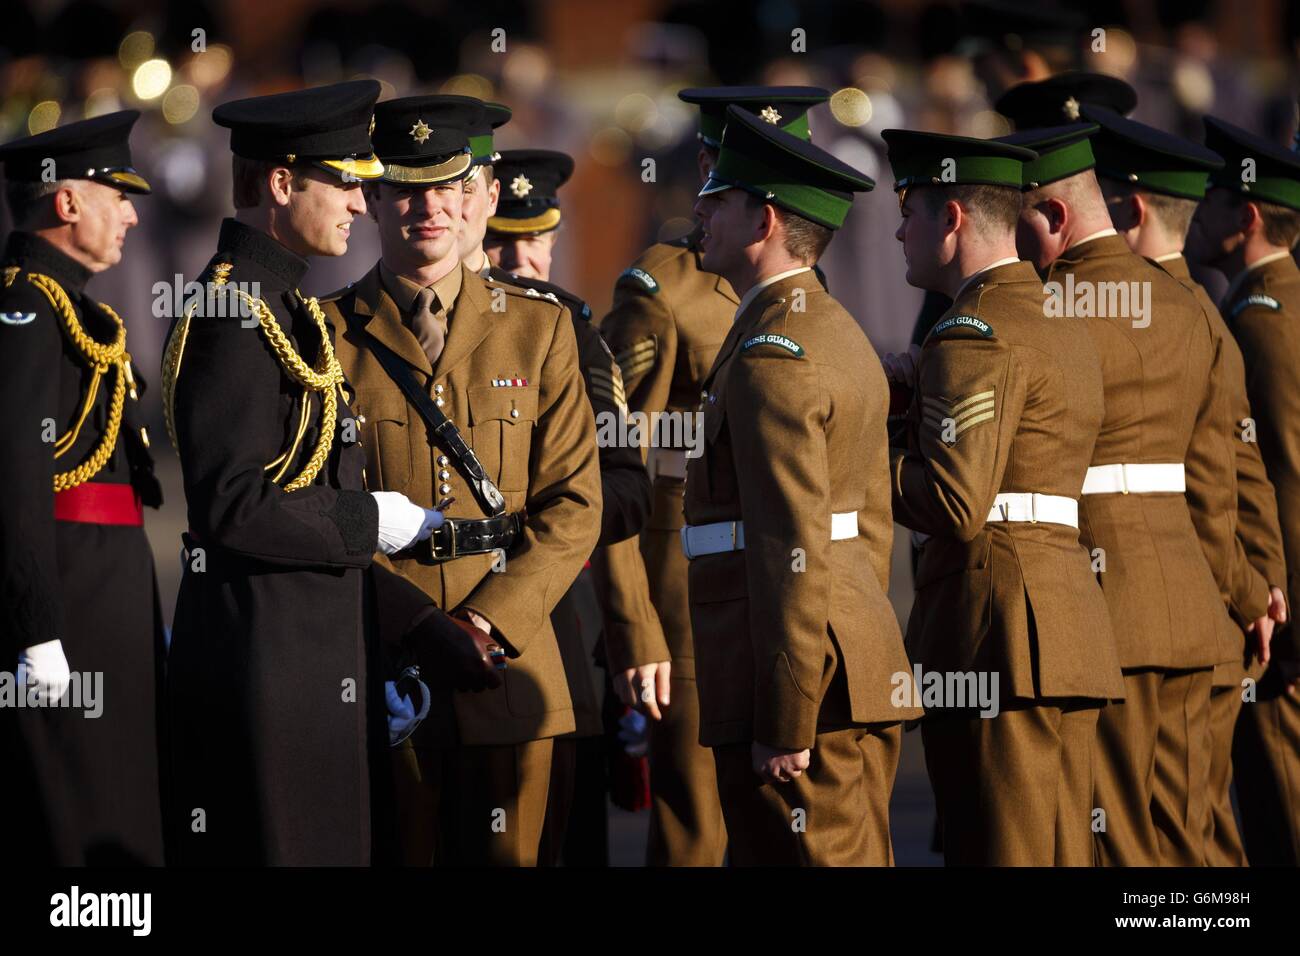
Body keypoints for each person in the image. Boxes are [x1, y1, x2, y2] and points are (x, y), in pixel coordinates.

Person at [162, 81, 486, 866]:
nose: (359, 201)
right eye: (343, 180)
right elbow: (232, 503)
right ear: (281, 184)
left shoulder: (290, 306)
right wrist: (373, 521)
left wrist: (407, 629)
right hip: (265, 660)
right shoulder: (235, 312)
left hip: (313, 658)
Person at [321, 94, 603, 867]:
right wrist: (413, 625)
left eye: (447, 186)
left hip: (508, 665)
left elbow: (575, 503)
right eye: (407, 188)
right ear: (374, 196)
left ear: (477, 195)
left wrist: (483, 625)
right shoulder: (324, 333)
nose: (428, 207)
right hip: (385, 667)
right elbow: (320, 507)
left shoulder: (538, 327)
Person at [597, 85, 830, 867]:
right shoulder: (659, 290)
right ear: (705, 166)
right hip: (687, 596)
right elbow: (616, 466)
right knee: (697, 827)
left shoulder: (803, 283)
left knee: (786, 819)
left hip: (789, 593)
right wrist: (634, 624)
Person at [880, 129, 1123, 866]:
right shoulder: (1056, 317)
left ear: (952, 218)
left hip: (995, 634)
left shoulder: (971, 331)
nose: (898, 231)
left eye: (911, 211)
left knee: (998, 851)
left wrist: (865, 451)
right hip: (1064, 627)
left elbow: (957, 503)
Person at [684, 104, 917, 866]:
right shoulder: (826, 328)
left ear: (765, 222)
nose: (700, 210)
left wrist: (786, 715)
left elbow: (793, 545)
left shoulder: (774, 359)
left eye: (719, 200)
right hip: (840, 663)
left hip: (799, 686)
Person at [1002, 121, 1238, 866]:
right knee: (1187, 841)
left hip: (1101, 614)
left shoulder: (1043, 313)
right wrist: (1242, 589)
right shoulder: (1190, 305)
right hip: (1191, 611)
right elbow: (1217, 477)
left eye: (1021, 228)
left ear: (1055, 218)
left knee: (1118, 845)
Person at [1087, 106, 1287, 865]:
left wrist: (1251, 590)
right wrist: (1260, 585)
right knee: (1196, 838)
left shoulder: (1139, 311)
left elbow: (1211, 484)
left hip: (1164, 613)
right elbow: (1243, 470)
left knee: (1148, 846)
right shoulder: (1203, 311)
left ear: (1128, 209)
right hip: (1207, 619)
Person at [0, 110, 166, 865]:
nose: (132, 213)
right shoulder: (27, 307)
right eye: (116, 195)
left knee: (123, 808)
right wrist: (36, 628)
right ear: (67, 204)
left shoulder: (80, 308)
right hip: (65, 606)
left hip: (107, 604)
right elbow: (15, 477)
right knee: (75, 821)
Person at [483, 145, 653, 865]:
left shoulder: (576, 332)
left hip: (556, 611)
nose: (521, 260)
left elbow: (627, 488)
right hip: (437, 611)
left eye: (537, 241)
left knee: (565, 821)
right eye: (501, 241)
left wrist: (540, 529)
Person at [1188, 115, 1300, 866]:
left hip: (1281, 618)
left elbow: (1285, 471)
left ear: (1246, 216)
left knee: (1279, 810)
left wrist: (1278, 606)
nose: (1191, 217)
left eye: (1207, 201)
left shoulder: (1259, 320)